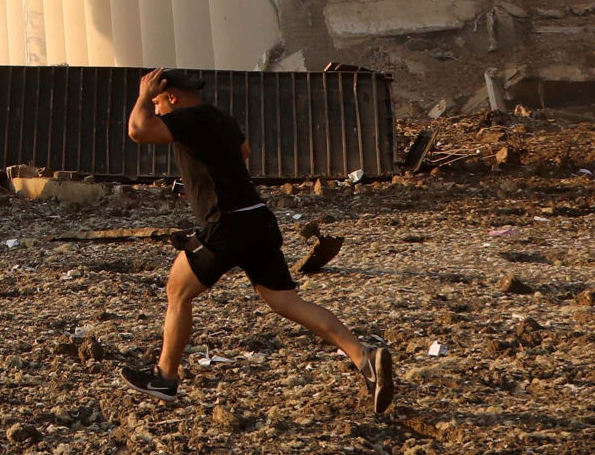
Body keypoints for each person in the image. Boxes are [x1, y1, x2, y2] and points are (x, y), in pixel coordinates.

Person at [121, 68, 394, 412]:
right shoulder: (219, 117)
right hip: (258, 219)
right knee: (287, 302)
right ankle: (363, 355)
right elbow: (245, 151)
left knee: (177, 292)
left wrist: (144, 95)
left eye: (159, 103)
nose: (157, 110)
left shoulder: (188, 118)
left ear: (171, 97)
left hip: (227, 224)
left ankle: (166, 377)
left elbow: (138, 131)